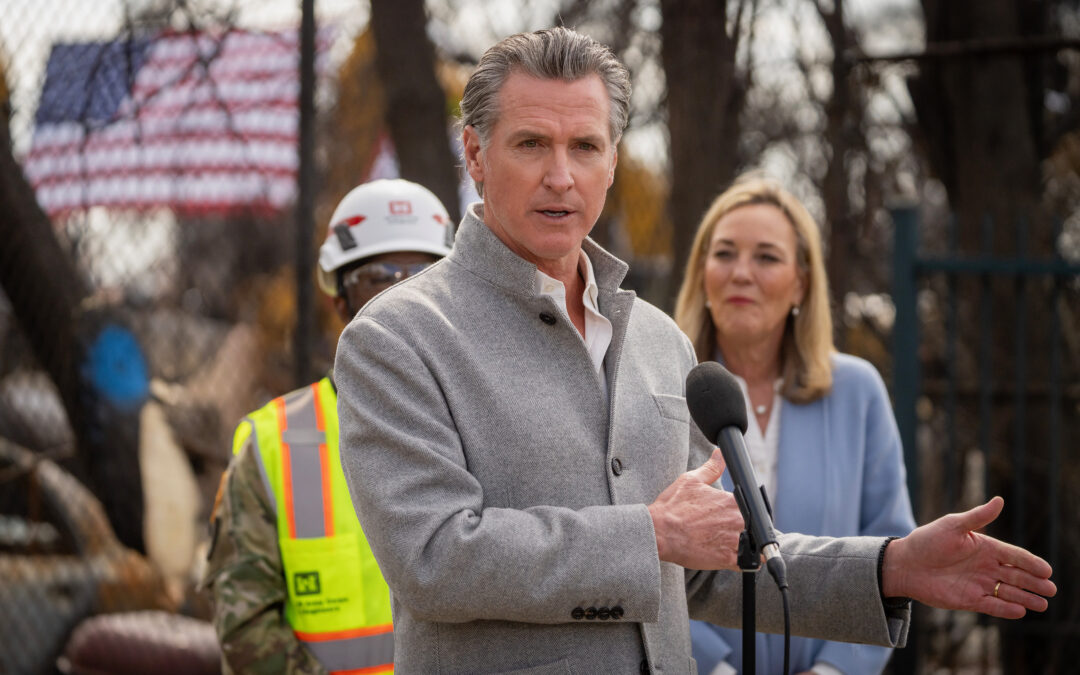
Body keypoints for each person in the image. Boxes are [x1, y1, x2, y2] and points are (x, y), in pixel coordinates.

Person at [334, 27, 1055, 675]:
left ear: (613, 159)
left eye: (585, 146)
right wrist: (647, 532)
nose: (562, 176)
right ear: (475, 153)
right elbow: (433, 557)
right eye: (531, 144)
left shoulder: (657, 338)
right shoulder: (396, 338)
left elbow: (707, 562)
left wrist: (889, 566)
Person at [202, 178, 454, 674]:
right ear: (338, 298)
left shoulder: (495, 420)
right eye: (379, 277)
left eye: (424, 274)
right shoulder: (273, 443)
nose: (402, 295)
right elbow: (246, 625)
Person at [674, 175, 916, 675]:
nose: (742, 272)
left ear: (801, 282)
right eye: (724, 254)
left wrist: (832, 671)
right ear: (702, 273)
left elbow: (891, 548)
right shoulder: (662, 389)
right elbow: (653, 559)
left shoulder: (858, 392)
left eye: (766, 257)